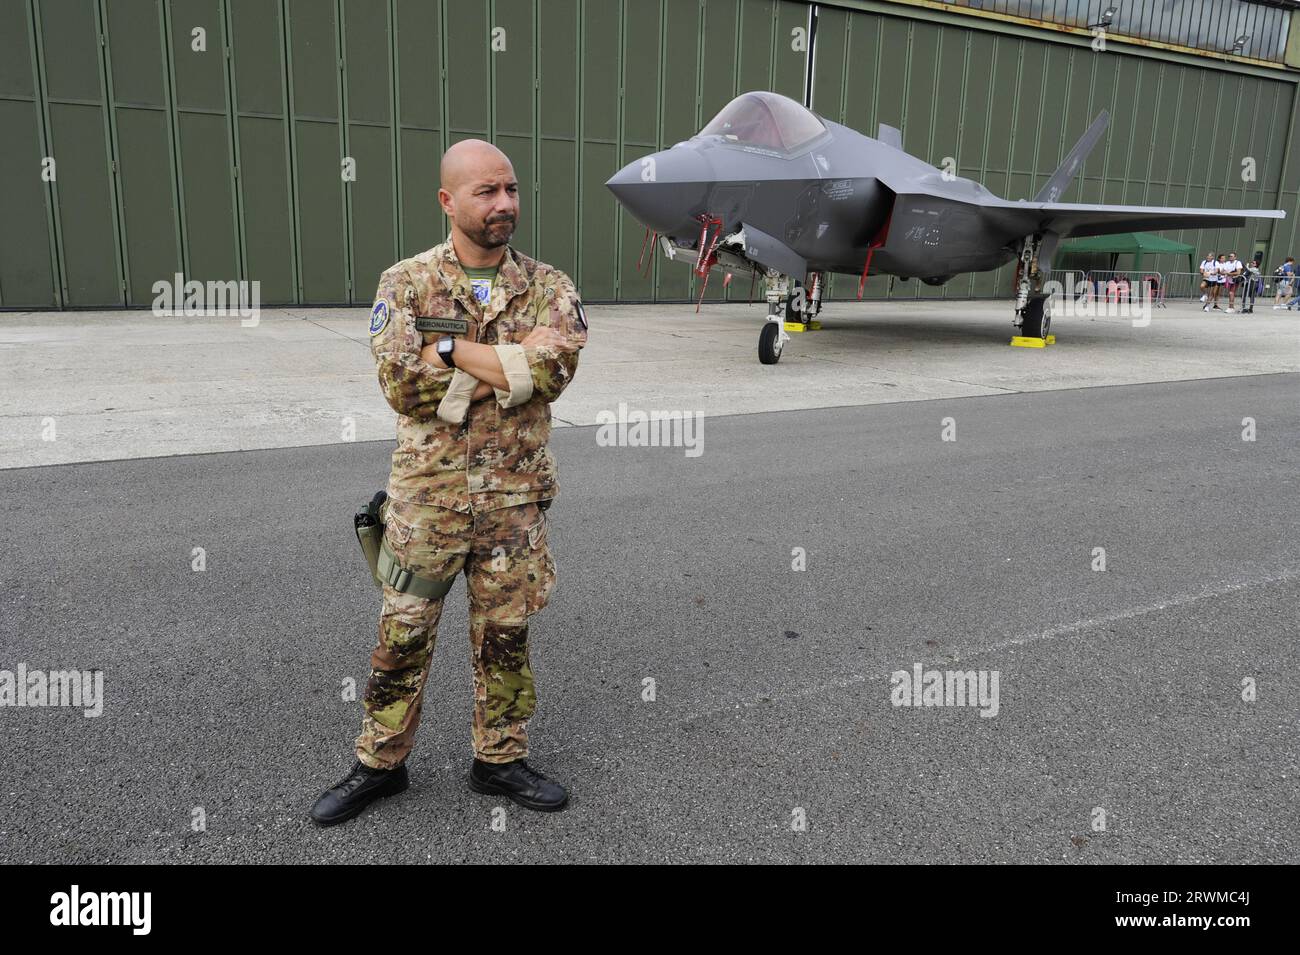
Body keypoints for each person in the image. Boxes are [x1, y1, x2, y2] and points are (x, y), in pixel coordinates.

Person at [309, 139, 588, 826]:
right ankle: (380, 762)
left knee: (506, 636)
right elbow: (403, 384)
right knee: (402, 634)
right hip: (426, 503)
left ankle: (499, 758)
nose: (504, 204)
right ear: (448, 201)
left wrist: (449, 349)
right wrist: (505, 369)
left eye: (511, 190)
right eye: (486, 192)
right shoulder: (404, 283)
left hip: (514, 505)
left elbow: (553, 371)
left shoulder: (548, 286)